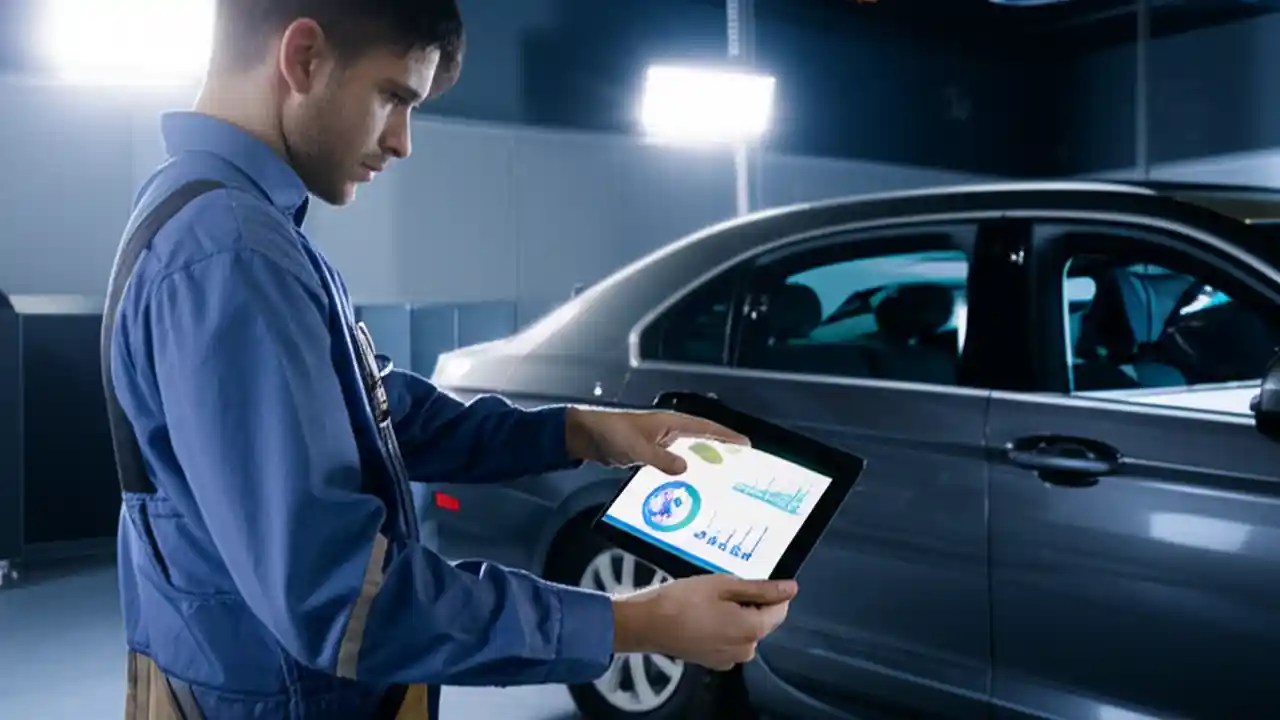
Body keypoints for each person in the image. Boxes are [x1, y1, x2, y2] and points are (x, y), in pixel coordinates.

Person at [104, 1, 799, 718]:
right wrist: (635, 624)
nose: (403, 142)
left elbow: (371, 414)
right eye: (394, 97)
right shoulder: (233, 255)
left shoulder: (215, 218)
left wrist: (582, 430)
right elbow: (345, 603)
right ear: (303, 58)